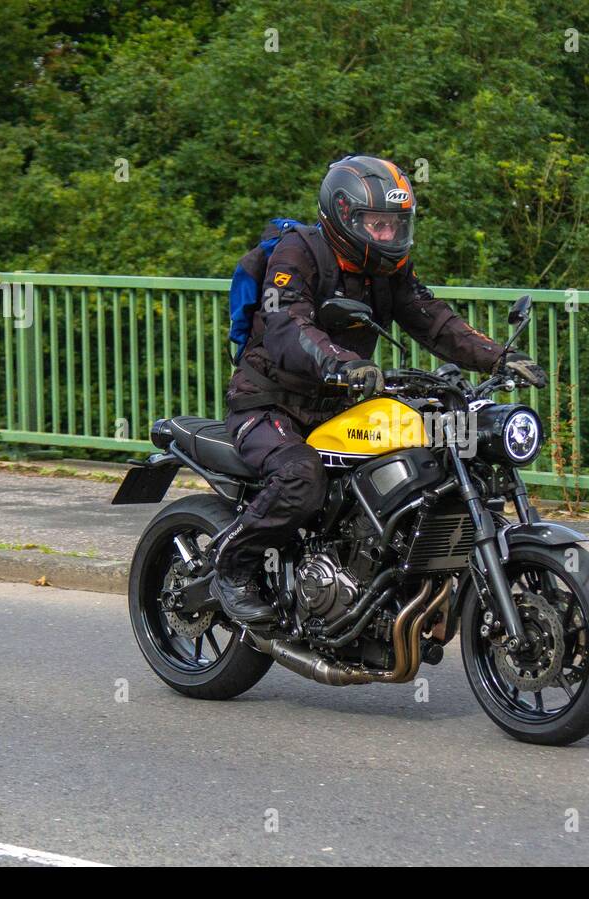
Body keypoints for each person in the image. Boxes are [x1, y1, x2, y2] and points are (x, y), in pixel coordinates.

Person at [211, 154, 546, 622]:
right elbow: (287, 324)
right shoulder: (298, 252)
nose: (387, 235)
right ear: (344, 214)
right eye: (376, 224)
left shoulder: (390, 271)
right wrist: (340, 362)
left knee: (428, 456)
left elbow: (433, 321)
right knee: (301, 477)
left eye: (395, 224)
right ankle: (232, 568)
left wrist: (500, 357)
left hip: (341, 405)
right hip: (269, 405)